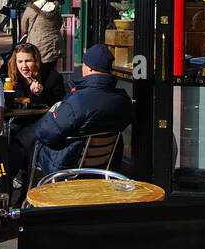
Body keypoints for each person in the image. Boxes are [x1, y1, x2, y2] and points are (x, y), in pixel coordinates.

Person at [33, 44, 132, 176]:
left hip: (69, 164)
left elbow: (46, 134)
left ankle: (28, 190)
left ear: (89, 68)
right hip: (107, 163)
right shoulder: (123, 99)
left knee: (31, 143)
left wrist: (53, 113)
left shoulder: (78, 100)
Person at [6, 45, 65, 190]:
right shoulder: (10, 77)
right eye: (19, 61)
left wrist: (41, 93)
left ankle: (20, 182)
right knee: (4, 138)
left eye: (28, 61)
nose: (23, 66)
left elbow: (60, 104)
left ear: (36, 61)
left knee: (22, 143)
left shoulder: (51, 77)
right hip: (16, 119)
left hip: (41, 120)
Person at [20, 0, 63, 76]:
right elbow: (59, 23)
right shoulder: (54, 8)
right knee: (50, 70)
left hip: (36, 44)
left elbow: (24, 28)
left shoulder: (30, 9)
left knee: (38, 70)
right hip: (53, 44)